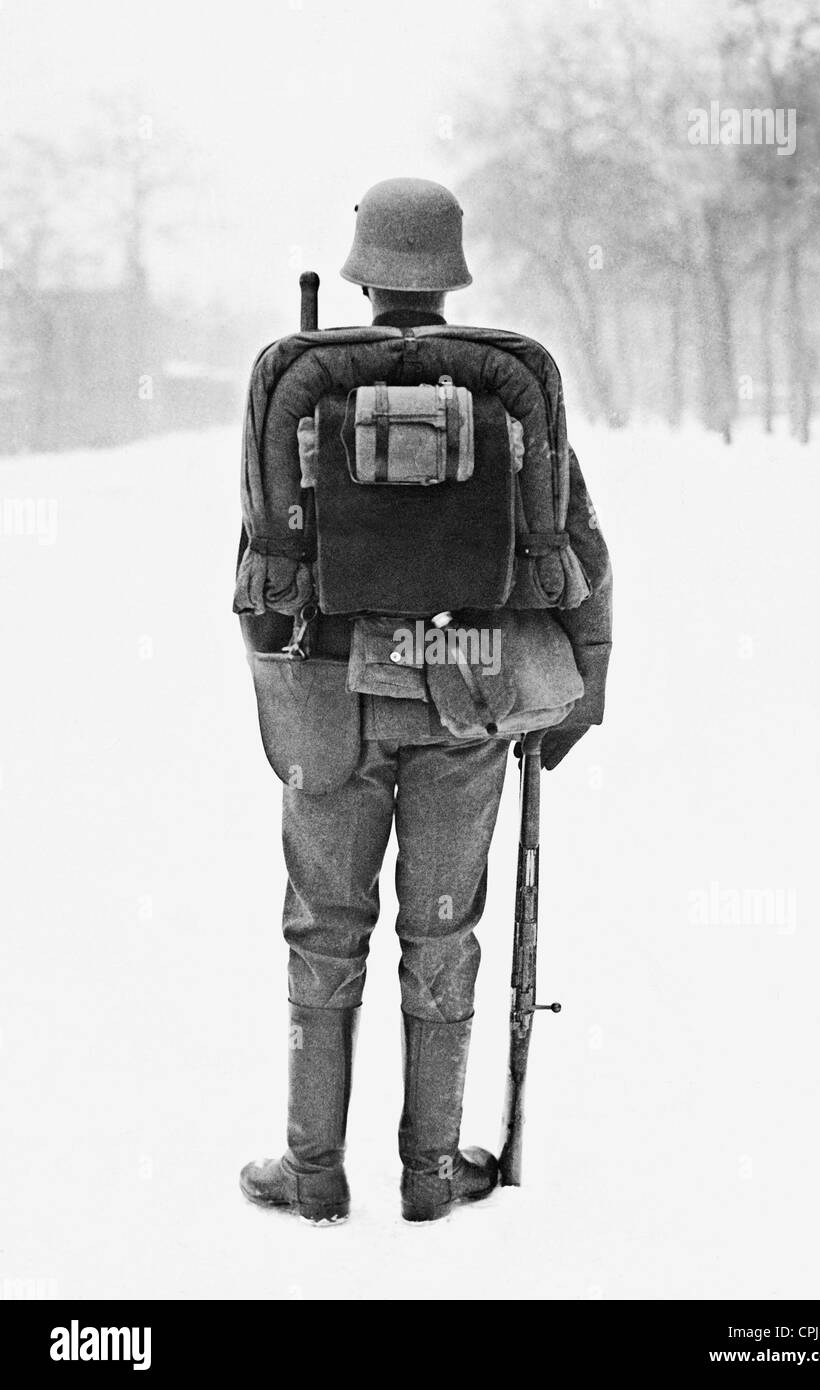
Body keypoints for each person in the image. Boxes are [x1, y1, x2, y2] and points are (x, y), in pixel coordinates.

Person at [237, 178, 612, 1224]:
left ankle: (312, 1173)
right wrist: (577, 699)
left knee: (323, 932)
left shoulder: (300, 385)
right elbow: (579, 553)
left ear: (358, 275)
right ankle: (434, 1174)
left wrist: (286, 684)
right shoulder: (505, 390)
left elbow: (257, 566)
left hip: (326, 704)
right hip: (467, 700)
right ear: (450, 275)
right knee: (442, 934)